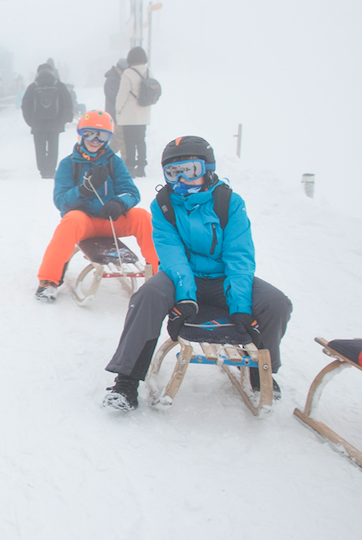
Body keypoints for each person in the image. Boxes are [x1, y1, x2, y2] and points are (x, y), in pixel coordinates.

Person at [102, 136, 292, 410]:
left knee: (276, 303)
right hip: (181, 277)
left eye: (189, 170)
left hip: (222, 279)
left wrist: (241, 306)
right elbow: (172, 255)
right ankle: (127, 380)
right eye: (172, 172)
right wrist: (186, 297)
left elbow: (239, 256)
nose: (181, 179)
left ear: (207, 169)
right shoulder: (164, 205)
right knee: (148, 295)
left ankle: (260, 368)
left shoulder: (229, 202)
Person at [35, 110, 158, 302]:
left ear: (108, 138)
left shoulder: (113, 162)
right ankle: (48, 281)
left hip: (111, 220)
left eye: (102, 136)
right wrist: (83, 190)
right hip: (85, 224)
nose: (95, 140)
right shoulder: (69, 164)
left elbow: (131, 192)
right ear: (80, 134)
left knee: (142, 216)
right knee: (71, 219)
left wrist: (119, 202)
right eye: (89, 134)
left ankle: (161, 275)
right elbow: (61, 201)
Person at [21, 62, 74, 178]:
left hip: (38, 123)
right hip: (55, 123)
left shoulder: (33, 86)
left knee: (39, 148)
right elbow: (68, 103)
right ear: (52, 72)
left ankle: (43, 171)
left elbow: (25, 105)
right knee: (53, 147)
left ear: (38, 73)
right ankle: (51, 170)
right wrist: (62, 120)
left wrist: (31, 121)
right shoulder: (59, 85)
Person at [115, 46, 151, 177]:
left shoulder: (128, 73)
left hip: (129, 114)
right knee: (141, 140)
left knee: (129, 141)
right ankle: (141, 167)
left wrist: (118, 109)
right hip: (143, 111)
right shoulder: (147, 71)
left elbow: (122, 93)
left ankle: (130, 167)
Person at [103, 58, 127, 159]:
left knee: (115, 141)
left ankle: (103, 158)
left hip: (116, 113)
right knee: (120, 139)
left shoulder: (115, 78)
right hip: (115, 114)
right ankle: (125, 162)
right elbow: (114, 97)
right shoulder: (112, 79)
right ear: (119, 70)